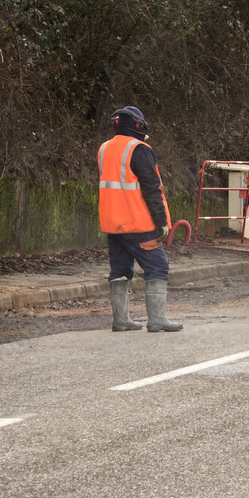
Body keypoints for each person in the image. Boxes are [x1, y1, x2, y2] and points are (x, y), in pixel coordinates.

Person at [98, 107, 182, 332]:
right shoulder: (140, 149)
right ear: (139, 126)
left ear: (117, 124)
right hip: (138, 223)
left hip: (113, 224)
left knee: (120, 271)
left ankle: (121, 320)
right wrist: (162, 222)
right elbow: (152, 189)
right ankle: (156, 320)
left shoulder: (104, 149)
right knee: (158, 267)